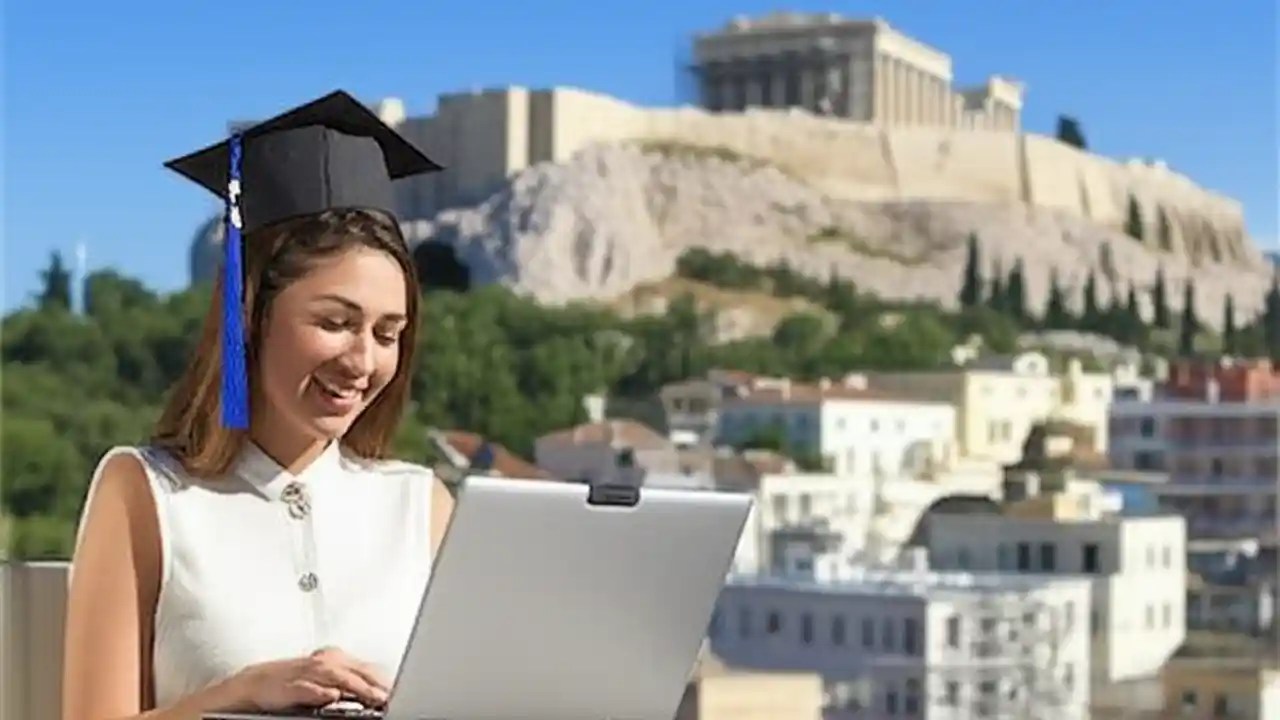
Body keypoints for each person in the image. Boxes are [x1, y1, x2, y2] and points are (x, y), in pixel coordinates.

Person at [62, 90, 453, 720]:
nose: (362, 361)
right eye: (334, 321)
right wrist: (237, 695)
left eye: (387, 334)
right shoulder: (147, 493)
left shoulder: (420, 506)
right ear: (251, 314)